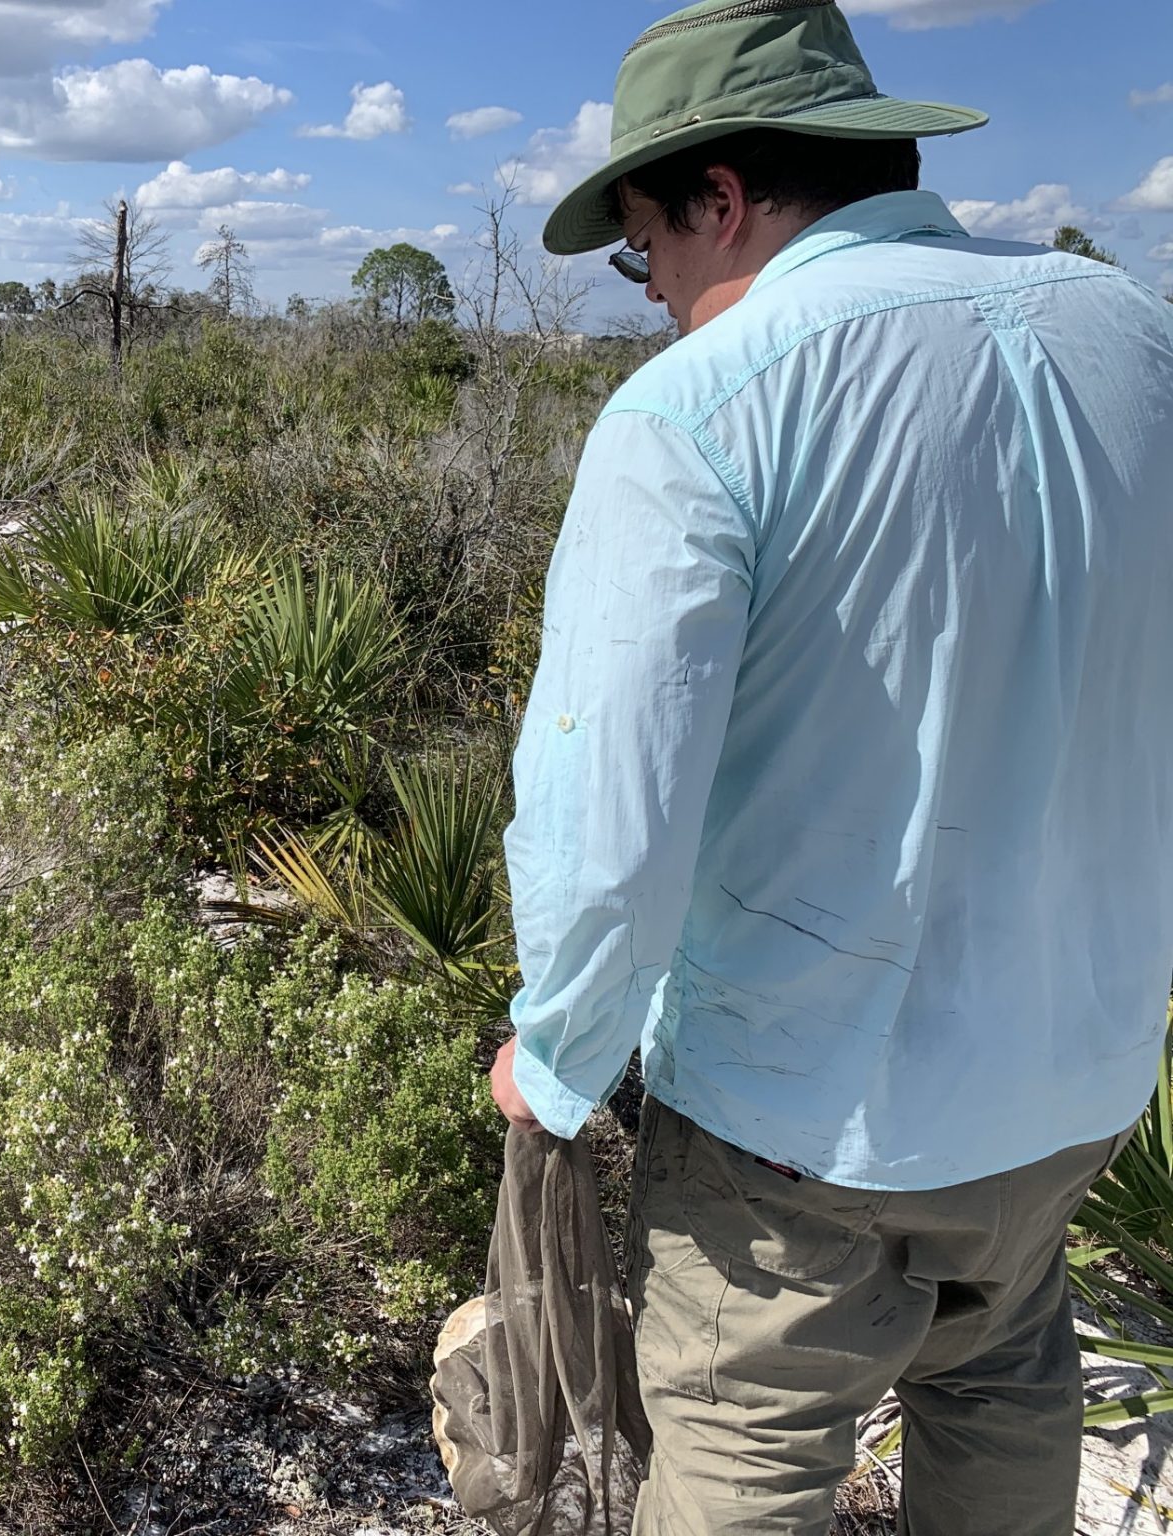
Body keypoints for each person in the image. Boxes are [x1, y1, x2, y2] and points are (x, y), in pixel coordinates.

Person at [487, 1, 1173, 1532]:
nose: (649, 289)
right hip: (1077, 1084)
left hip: (803, 1122)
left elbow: (615, 819)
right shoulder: (1136, 333)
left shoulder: (698, 411)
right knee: (1002, 1388)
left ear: (720, 195)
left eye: (643, 245)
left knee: (738, 1464)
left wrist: (556, 1056)